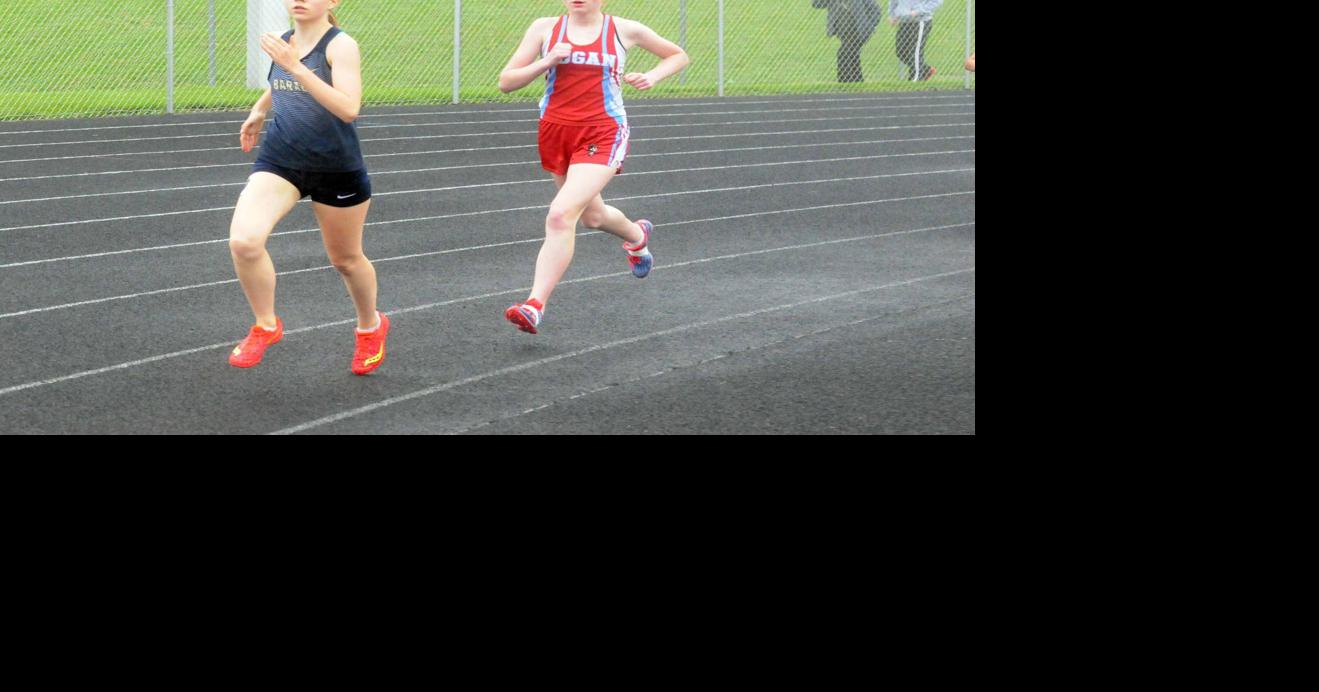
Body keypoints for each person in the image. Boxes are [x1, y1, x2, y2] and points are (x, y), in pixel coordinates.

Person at [496, 0, 689, 335]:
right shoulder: (544, 28)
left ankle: (534, 305)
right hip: (556, 131)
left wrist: (653, 76)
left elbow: (677, 54)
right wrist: (548, 61)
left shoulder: (623, 29)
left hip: (603, 131)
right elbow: (506, 81)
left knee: (560, 215)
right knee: (592, 217)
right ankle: (636, 236)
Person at [228, 0, 389, 375]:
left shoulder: (340, 45)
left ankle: (371, 326)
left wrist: (295, 66)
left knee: (346, 260)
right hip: (281, 159)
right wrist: (259, 108)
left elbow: (348, 108)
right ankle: (265, 325)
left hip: (335, 166)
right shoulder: (285, 40)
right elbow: (280, 82)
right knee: (244, 242)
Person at [812, 0, 883, 83]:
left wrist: (869, 26)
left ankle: (844, 81)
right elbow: (816, 4)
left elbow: (876, 11)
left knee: (842, 53)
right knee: (853, 55)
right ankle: (857, 80)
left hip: (857, 32)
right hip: (843, 34)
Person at [888, 0, 943, 82]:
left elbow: (937, 1)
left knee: (915, 52)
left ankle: (916, 79)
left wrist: (918, 11)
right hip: (904, 20)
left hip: (920, 20)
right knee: (901, 51)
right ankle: (925, 70)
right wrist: (892, 15)